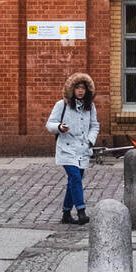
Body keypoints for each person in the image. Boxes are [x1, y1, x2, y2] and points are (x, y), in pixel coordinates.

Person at [46, 72, 99, 224]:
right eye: (77, 88)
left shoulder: (90, 106)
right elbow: (49, 124)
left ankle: (66, 213)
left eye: (83, 88)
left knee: (73, 181)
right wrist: (59, 127)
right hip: (66, 149)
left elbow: (94, 125)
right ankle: (81, 211)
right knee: (75, 177)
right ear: (72, 89)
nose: (80, 91)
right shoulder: (61, 105)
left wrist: (90, 141)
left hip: (83, 148)